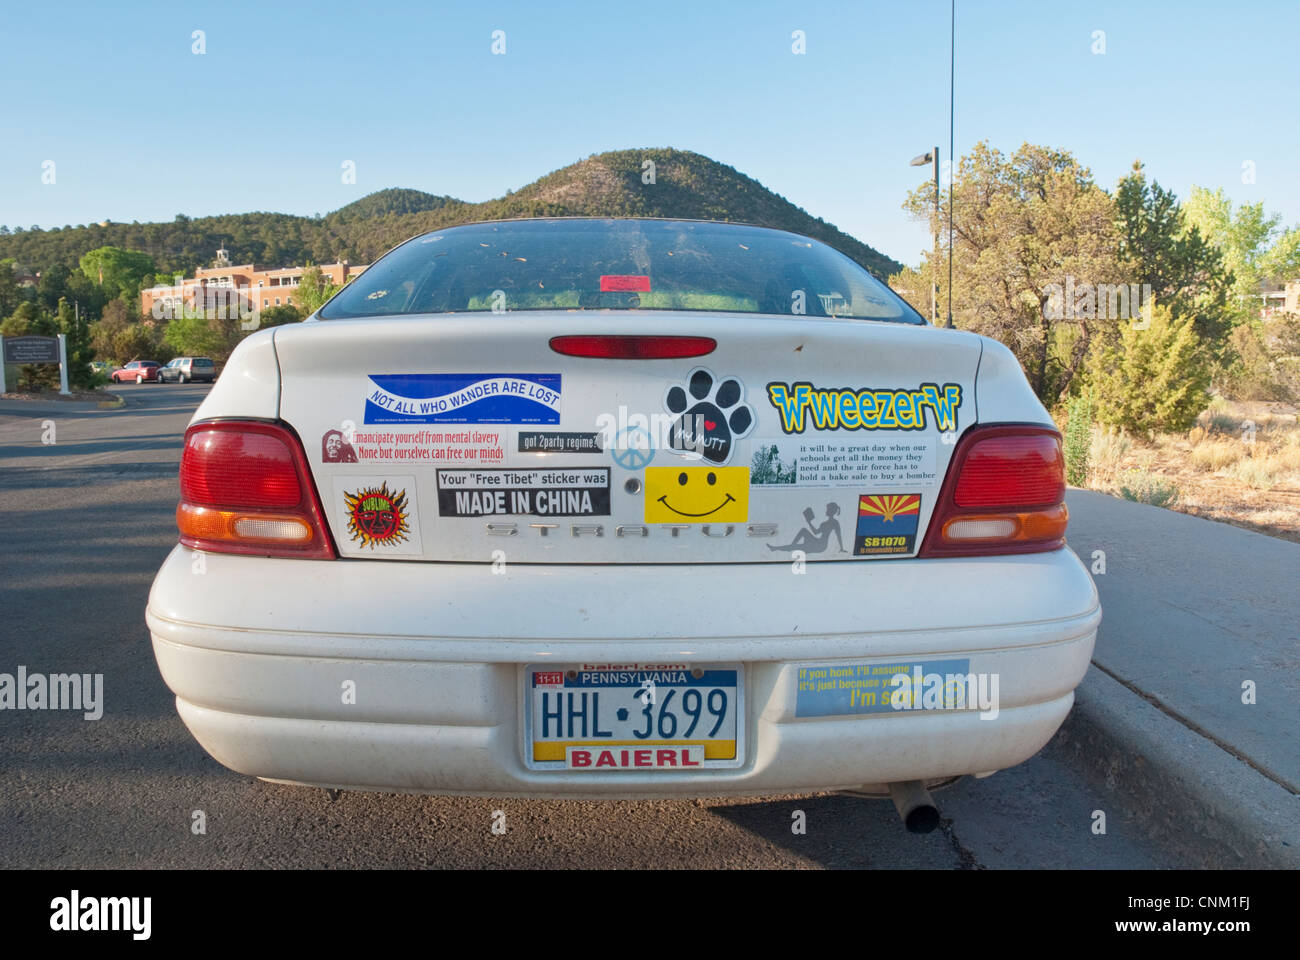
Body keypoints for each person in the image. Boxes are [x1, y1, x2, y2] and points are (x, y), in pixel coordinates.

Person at [768, 502, 845, 554]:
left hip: (821, 545)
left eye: (827, 509)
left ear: (831, 511)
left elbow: (839, 535)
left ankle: (789, 547)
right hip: (818, 542)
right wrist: (809, 522)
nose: (826, 510)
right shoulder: (824, 523)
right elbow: (816, 532)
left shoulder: (834, 523)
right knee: (803, 533)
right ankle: (786, 547)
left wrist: (841, 548)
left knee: (802, 536)